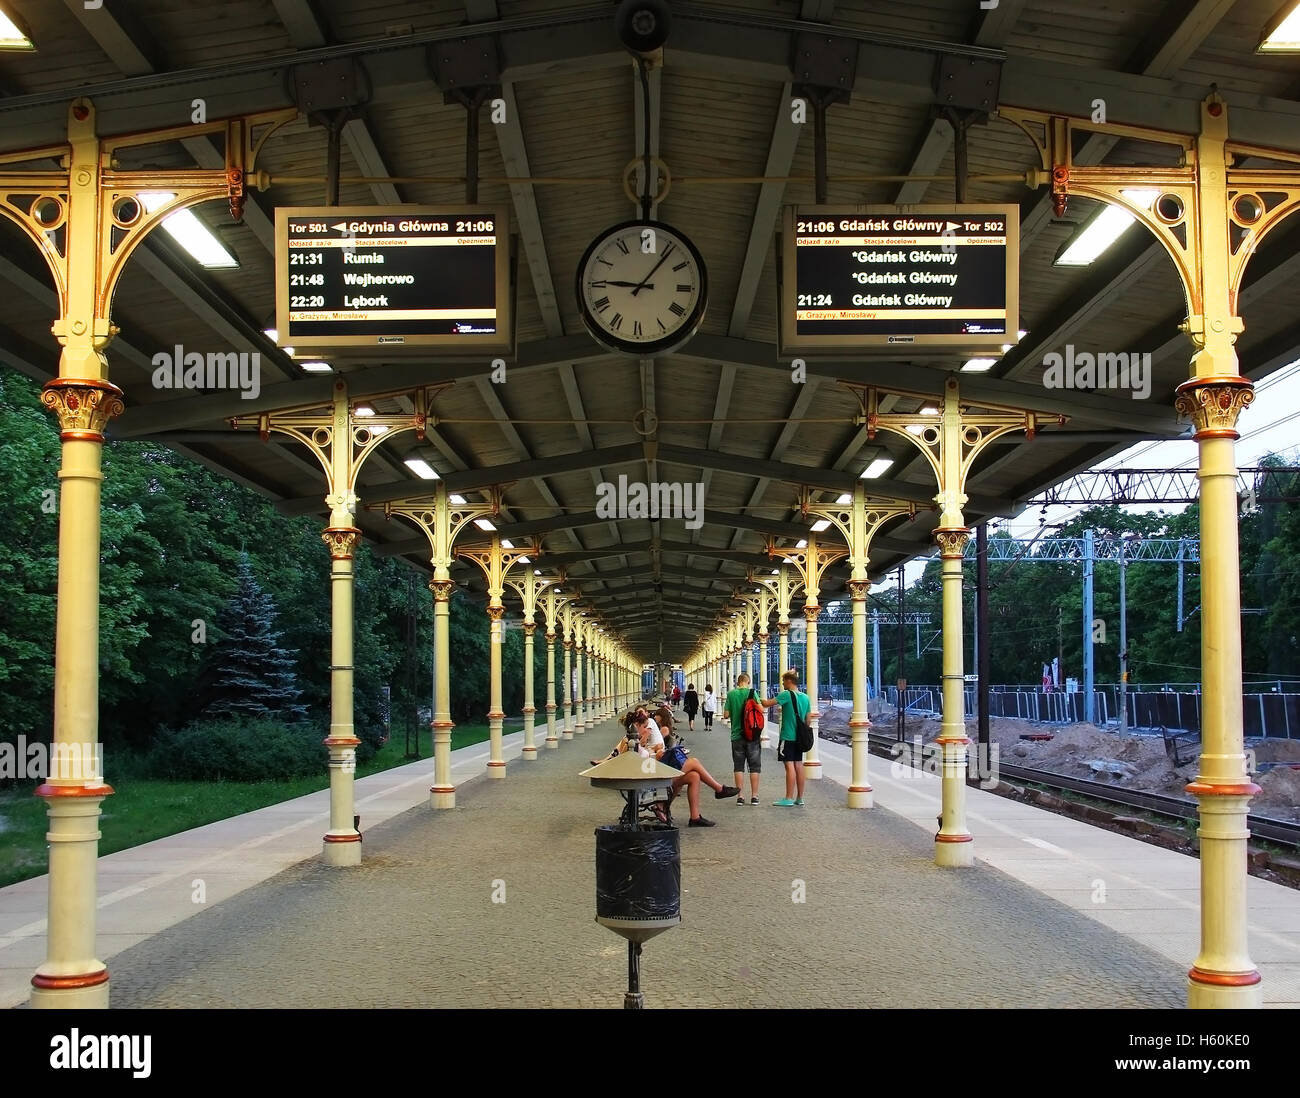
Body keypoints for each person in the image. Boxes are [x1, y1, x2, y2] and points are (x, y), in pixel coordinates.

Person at [628, 711, 738, 827]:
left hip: (654, 775)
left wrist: (653, 750)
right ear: (636, 725)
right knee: (694, 762)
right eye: (645, 727)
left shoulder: (636, 742)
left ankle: (695, 817)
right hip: (650, 782)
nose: (647, 730)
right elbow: (637, 762)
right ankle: (719, 789)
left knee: (694, 776)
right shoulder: (630, 743)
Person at [765, 669, 810, 806]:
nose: (783, 683)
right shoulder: (805, 697)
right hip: (800, 738)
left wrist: (755, 696)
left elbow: (767, 703)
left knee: (789, 765)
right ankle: (800, 798)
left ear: (789, 681)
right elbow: (808, 720)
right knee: (798, 764)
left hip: (788, 736)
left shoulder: (786, 694)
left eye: (784, 681)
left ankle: (788, 798)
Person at [722, 672, 761, 806]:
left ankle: (740, 796)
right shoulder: (752, 693)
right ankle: (754, 796)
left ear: (738, 682)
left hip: (737, 736)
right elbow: (760, 709)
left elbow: (726, 715)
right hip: (752, 736)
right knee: (754, 767)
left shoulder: (731, 694)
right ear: (748, 681)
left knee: (738, 767)